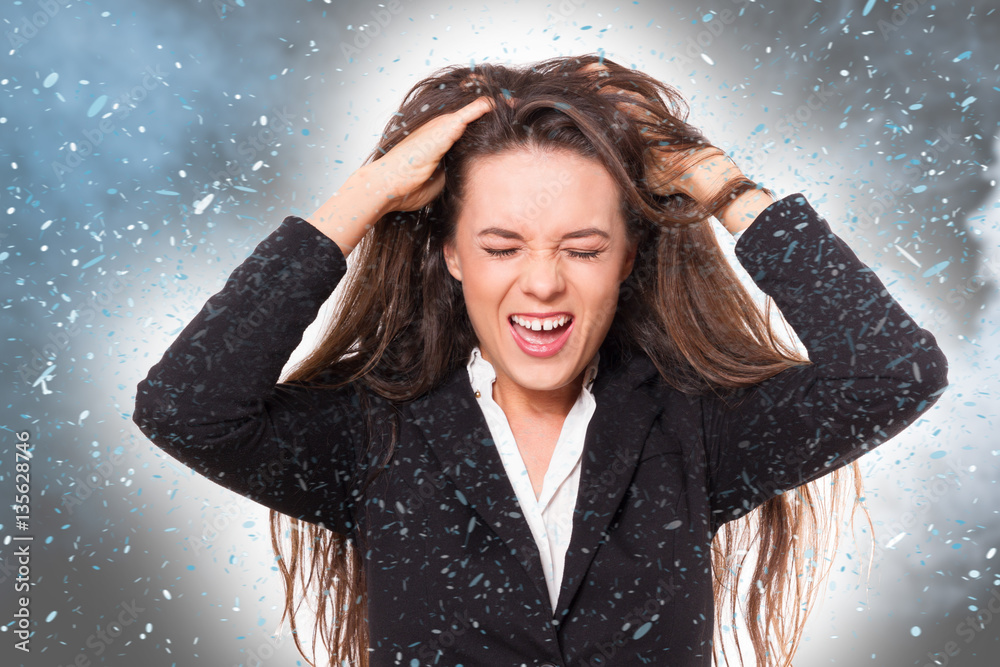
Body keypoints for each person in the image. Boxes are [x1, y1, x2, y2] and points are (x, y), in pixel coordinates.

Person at [132, 54, 949, 667]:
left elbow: (893, 372)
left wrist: (726, 189)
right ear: (452, 252)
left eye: (584, 247)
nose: (544, 282)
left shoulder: (692, 432)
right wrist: (365, 197)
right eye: (501, 245)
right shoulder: (373, 438)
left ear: (628, 258)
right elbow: (185, 407)